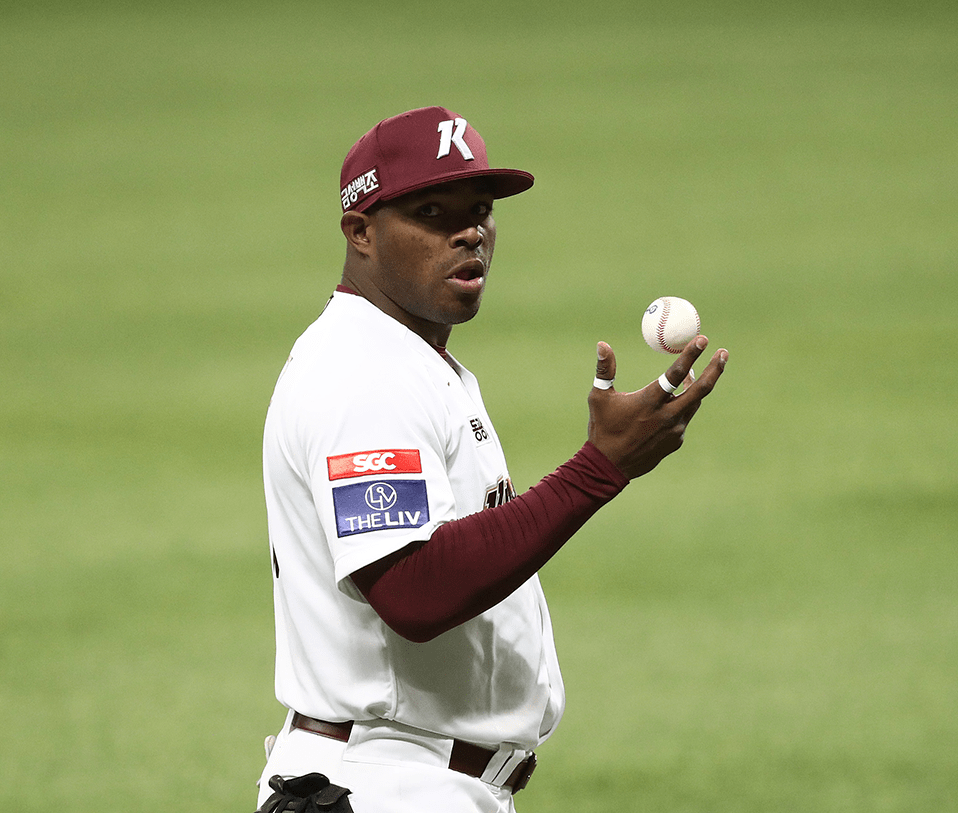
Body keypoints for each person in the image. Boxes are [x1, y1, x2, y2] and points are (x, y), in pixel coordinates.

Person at [257, 106, 729, 813]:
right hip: (386, 781)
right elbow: (411, 589)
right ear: (360, 232)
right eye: (431, 211)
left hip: (413, 775)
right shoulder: (362, 372)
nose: (469, 231)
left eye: (478, 211)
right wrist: (599, 469)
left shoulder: (410, 359)